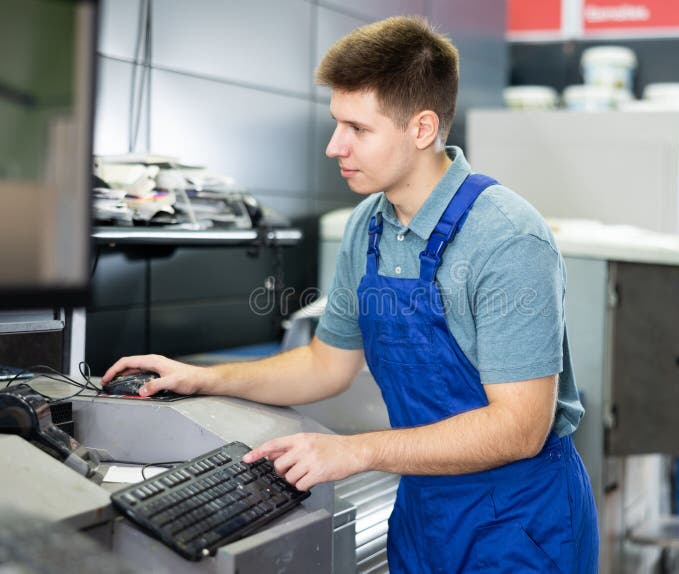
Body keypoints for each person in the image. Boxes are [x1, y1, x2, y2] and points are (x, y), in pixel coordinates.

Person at [103, 16, 599, 573]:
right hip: (426, 511)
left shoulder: (507, 238)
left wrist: (356, 450)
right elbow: (326, 364)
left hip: (521, 522)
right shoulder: (370, 224)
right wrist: (200, 378)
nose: (334, 146)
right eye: (336, 123)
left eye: (358, 129)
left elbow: (520, 428)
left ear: (422, 128)